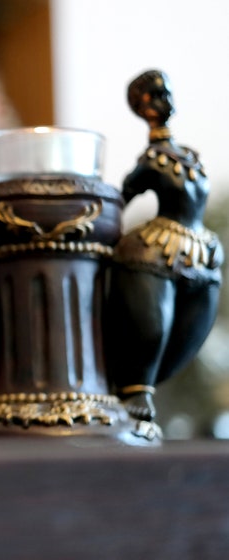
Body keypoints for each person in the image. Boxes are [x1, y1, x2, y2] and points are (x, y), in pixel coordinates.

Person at [107, 70, 223, 422]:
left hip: (202, 249)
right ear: (140, 109)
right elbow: (120, 200)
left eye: (166, 93)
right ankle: (136, 388)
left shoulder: (189, 156)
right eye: (154, 97)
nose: (164, 101)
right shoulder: (150, 161)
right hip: (157, 247)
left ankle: (148, 385)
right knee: (153, 325)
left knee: (192, 331)